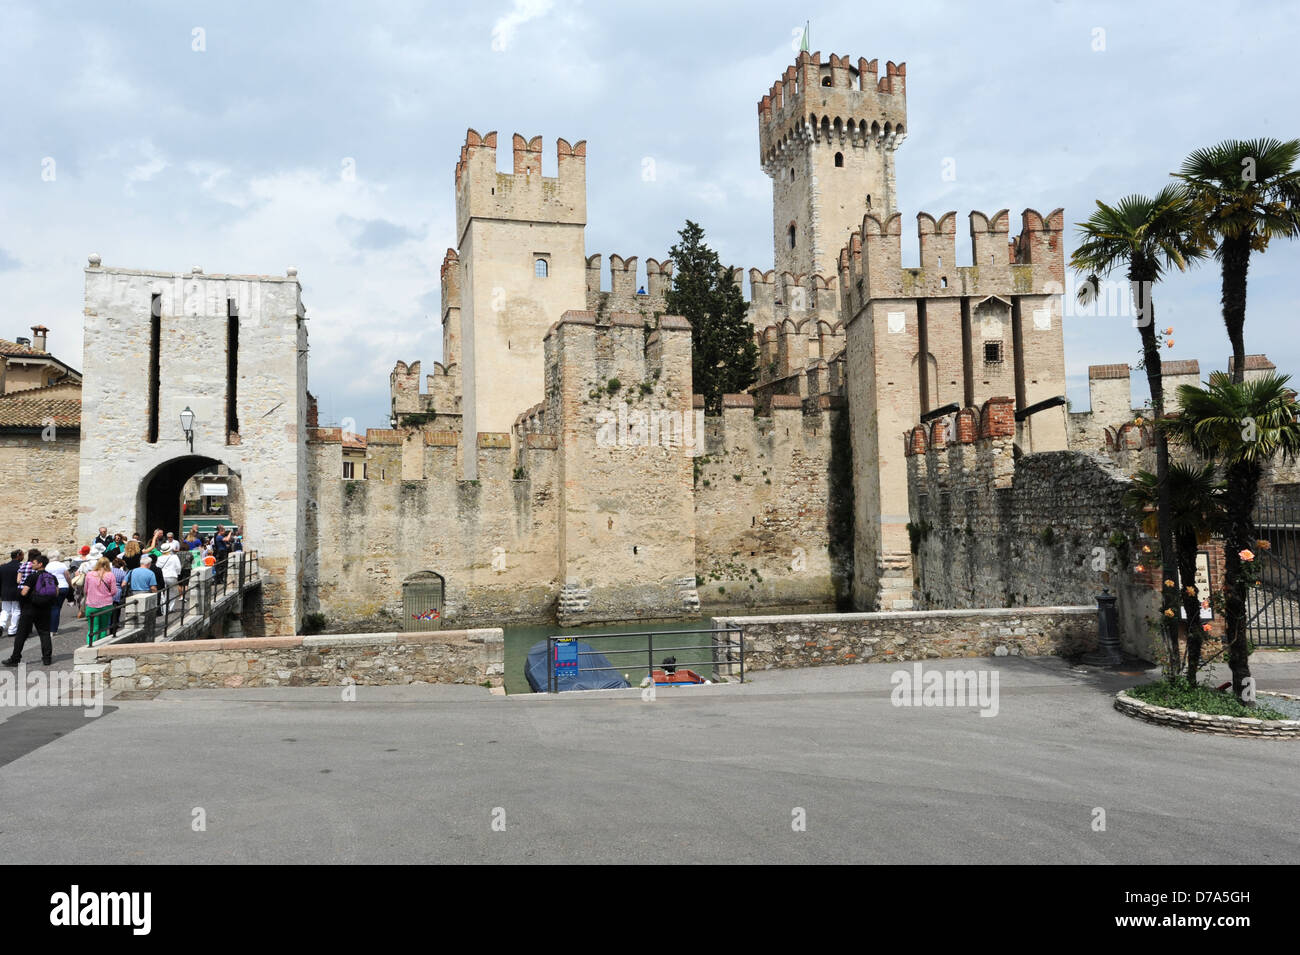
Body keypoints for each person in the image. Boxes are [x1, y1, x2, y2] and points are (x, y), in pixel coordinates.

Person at [3, 553, 57, 667]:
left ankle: (15, 659)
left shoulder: (32, 576)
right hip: (45, 609)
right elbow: (55, 592)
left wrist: (22, 596)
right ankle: (47, 659)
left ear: (40, 564)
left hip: (30, 609)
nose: (32, 564)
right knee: (44, 634)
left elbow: (24, 592)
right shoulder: (52, 577)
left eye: (34, 563)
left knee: (21, 634)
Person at [83, 556, 118, 643]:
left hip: (92, 604)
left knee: (92, 629)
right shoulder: (110, 575)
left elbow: (85, 590)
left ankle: (89, 646)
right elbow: (114, 591)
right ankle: (101, 645)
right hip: (106, 604)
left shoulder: (89, 574)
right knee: (103, 628)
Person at [45, 549, 72, 634]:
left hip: (51, 588)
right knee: (57, 608)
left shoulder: (47, 566)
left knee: (52, 608)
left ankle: (51, 628)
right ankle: (53, 629)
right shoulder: (62, 565)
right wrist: (70, 585)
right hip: (63, 587)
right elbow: (67, 576)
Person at [0, 549, 22, 638]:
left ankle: (1, 625)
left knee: (5, 611)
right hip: (16, 591)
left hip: (5, 591)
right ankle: (12, 630)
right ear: (18, 556)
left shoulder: (3, 567)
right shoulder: (21, 566)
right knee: (16, 610)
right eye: (22, 555)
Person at [157, 542, 182, 613]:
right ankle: (170, 608)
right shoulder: (174, 557)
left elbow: (158, 567)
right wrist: (177, 573)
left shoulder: (159, 558)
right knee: (172, 592)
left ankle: (163, 609)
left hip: (162, 576)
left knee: (162, 593)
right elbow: (178, 567)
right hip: (171, 575)